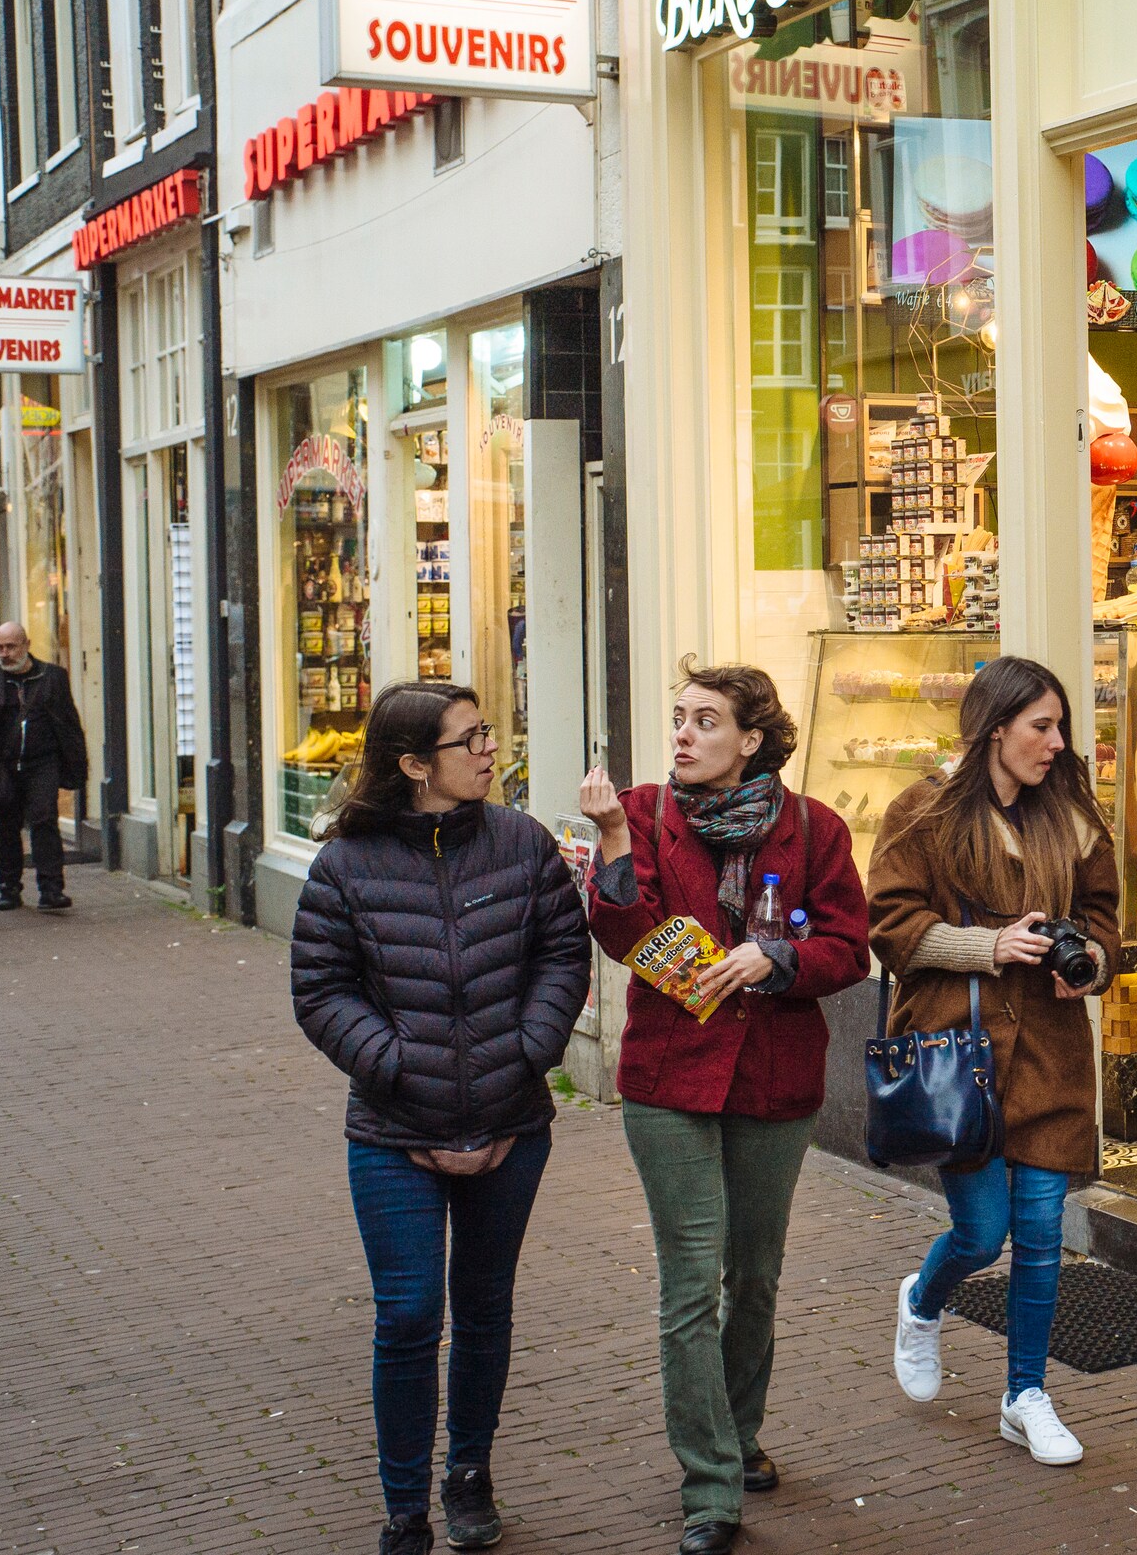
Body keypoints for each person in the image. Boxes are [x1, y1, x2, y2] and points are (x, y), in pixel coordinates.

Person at [290, 682, 592, 1555]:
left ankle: (469, 1476)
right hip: (392, 1133)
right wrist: (402, 1073)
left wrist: (520, 1057)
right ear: (415, 764)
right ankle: (402, 1508)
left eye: (488, 733)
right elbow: (319, 991)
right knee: (410, 1314)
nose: (491, 751)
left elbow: (562, 956)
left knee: (486, 1307)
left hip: (512, 1121)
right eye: (471, 740)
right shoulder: (344, 866)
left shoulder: (523, 843)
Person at [579, 663, 870, 1555]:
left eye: (705, 721)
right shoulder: (638, 814)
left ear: (752, 739)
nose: (682, 734)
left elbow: (850, 946)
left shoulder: (814, 828)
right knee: (687, 1284)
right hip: (669, 1080)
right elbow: (621, 930)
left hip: (774, 1079)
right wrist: (611, 845)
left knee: (756, 1275)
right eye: (677, 718)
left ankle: (740, 1437)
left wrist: (775, 959)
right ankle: (708, 1485)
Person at [869, 656, 1118, 1467]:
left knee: (1042, 1234)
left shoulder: (1073, 818)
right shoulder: (925, 812)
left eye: (1060, 727)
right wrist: (989, 944)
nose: (1055, 743)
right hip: (957, 1053)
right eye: (1040, 726)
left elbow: (1110, 922)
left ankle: (1025, 1393)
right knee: (982, 1234)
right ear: (995, 727)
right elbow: (892, 924)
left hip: (1049, 1051)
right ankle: (924, 1296)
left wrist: (1090, 961)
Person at [0, 620, 87, 912]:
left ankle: (51, 890)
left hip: (42, 761)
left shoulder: (53, 677)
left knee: (44, 820)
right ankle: (9, 888)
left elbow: (69, 723)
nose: (5, 653)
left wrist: (76, 764)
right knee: (7, 826)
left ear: (26, 645)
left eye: (11, 646)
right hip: (1, 764)